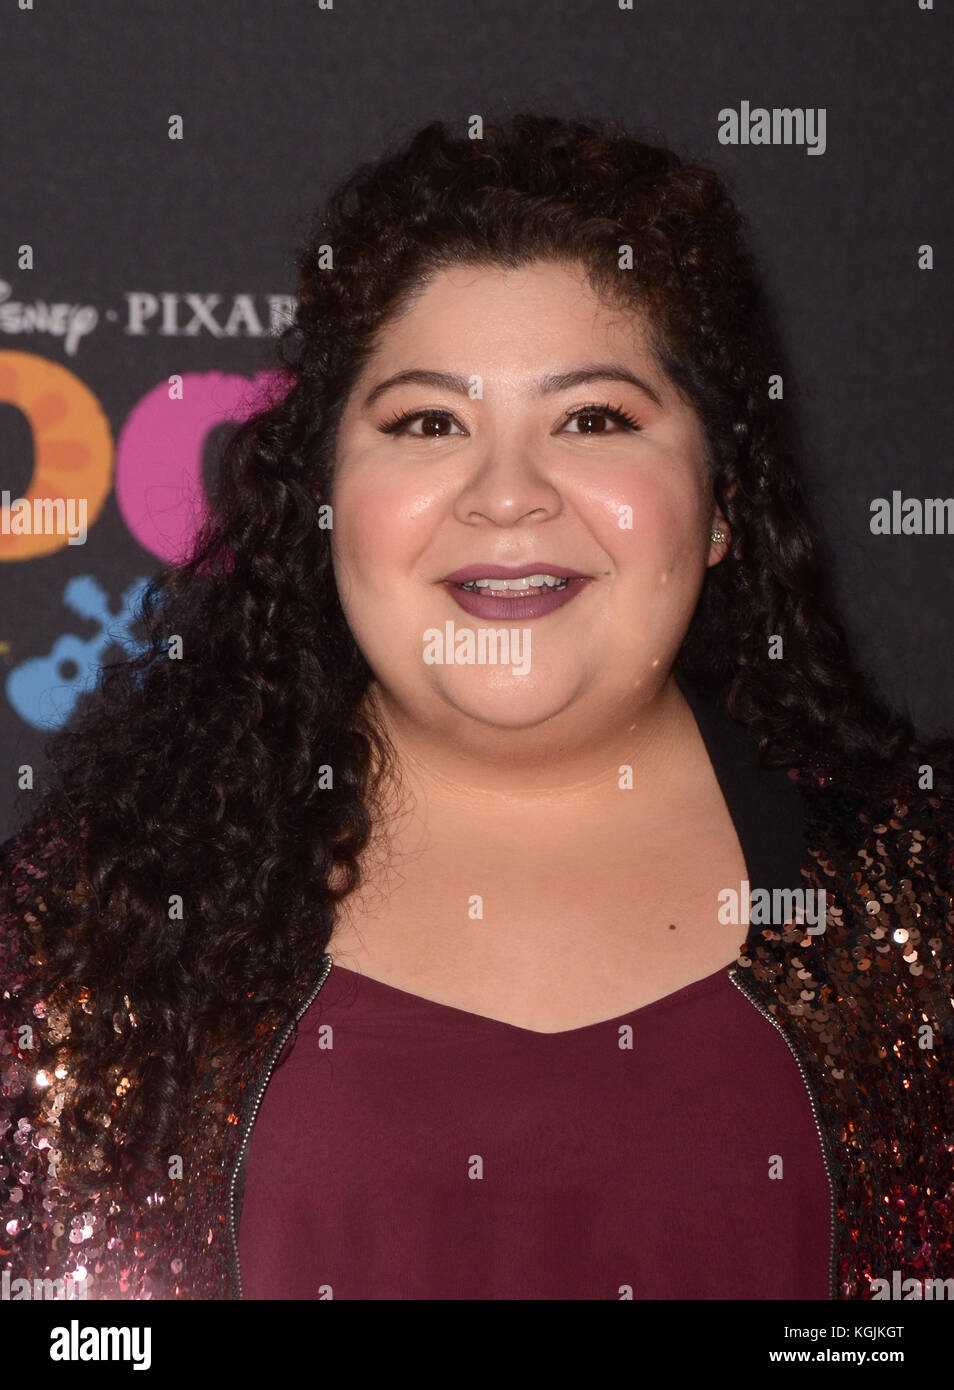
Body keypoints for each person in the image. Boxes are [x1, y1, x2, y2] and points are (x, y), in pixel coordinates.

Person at [1, 112, 952, 1303]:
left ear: (721, 502)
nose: (508, 495)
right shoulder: (79, 938)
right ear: (326, 498)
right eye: (428, 423)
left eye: (594, 419)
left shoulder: (929, 915)